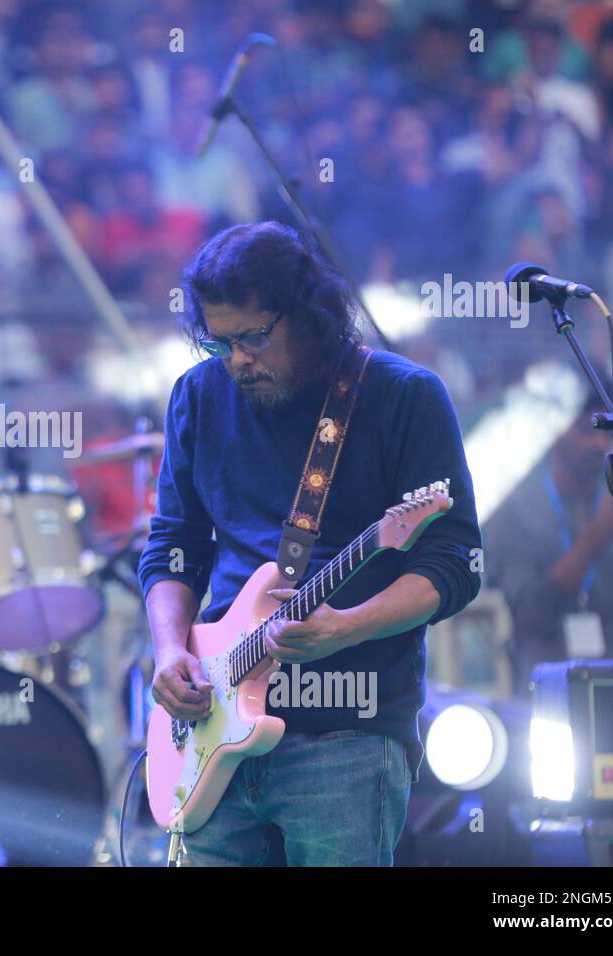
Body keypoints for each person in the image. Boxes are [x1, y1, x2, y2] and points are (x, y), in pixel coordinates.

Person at [138, 222, 482, 866]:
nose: (237, 358)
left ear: (308, 315)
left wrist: (349, 626)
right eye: (219, 341)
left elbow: (454, 563)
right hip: (214, 724)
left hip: (348, 734)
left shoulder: (402, 396)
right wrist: (166, 649)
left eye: (253, 337)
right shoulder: (198, 395)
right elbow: (174, 545)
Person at [486, 394, 613, 689]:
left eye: (607, 436)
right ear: (554, 432)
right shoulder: (517, 510)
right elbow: (528, 616)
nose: (600, 445)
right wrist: (596, 536)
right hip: (548, 698)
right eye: (586, 431)